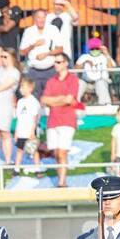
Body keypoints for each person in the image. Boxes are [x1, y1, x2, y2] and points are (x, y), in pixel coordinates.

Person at [40, 54, 79, 187]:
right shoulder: (51, 81)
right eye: (55, 62)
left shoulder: (73, 79)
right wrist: (61, 99)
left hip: (67, 120)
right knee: (56, 153)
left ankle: (62, 182)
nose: (56, 64)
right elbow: (44, 100)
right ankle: (61, 179)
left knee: (62, 152)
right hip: (53, 121)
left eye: (58, 62)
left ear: (65, 63)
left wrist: (54, 101)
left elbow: (69, 99)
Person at [18, 9, 62, 98]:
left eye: (43, 17)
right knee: (34, 99)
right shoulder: (28, 31)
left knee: (51, 97)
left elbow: (60, 49)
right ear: (34, 18)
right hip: (34, 71)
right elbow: (22, 52)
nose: (41, 20)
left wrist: (46, 54)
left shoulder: (53, 29)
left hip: (50, 70)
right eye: (39, 17)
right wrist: (33, 45)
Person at [75, 37, 115, 107]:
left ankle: (105, 105)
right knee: (79, 83)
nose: (94, 50)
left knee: (100, 83)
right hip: (86, 82)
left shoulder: (104, 57)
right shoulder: (84, 57)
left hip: (101, 81)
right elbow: (75, 69)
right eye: (92, 49)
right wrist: (85, 62)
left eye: (97, 48)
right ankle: (75, 104)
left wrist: (107, 54)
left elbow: (111, 69)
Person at [12, 76, 40, 173]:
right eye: (21, 87)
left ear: (30, 88)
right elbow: (19, 118)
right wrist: (16, 132)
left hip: (30, 131)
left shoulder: (33, 102)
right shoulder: (20, 102)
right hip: (21, 131)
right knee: (19, 150)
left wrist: (32, 131)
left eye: (24, 87)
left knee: (34, 150)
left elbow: (35, 118)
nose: (21, 89)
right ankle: (16, 168)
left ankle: (37, 168)